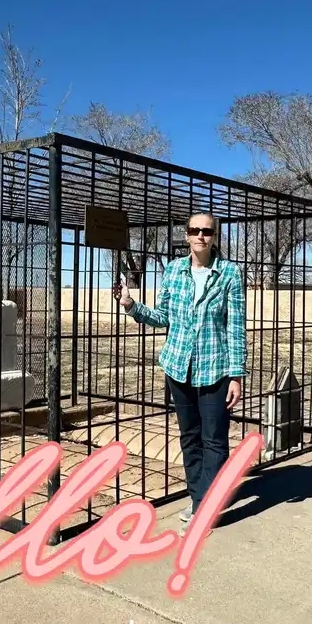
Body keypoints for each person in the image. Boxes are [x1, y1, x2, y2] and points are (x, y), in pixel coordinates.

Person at [113, 212, 246, 535]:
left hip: (215, 369)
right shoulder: (173, 271)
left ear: (215, 236)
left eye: (207, 231)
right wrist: (132, 305)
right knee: (189, 438)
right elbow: (162, 317)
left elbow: (236, 326)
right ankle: (200, 498)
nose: (200, 235)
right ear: (186, 235)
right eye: (194, 230)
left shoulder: (229, 273)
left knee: (214, 440)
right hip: (178, 367)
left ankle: (203, 509)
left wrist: (236, 374)